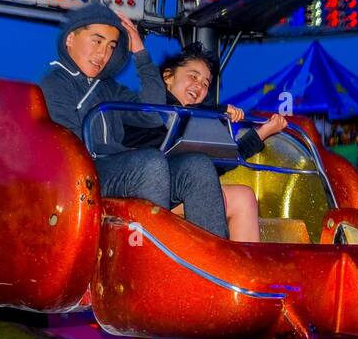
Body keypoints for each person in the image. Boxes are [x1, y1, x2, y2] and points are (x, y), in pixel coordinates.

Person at [38, 3, 231, 238]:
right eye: (96, 41)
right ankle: (156, 256)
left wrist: (140, 53)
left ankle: (209, 257)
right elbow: (69, 150)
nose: (103, 54)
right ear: (70, 39)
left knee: (197, 165)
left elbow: (151, 114)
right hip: (83, 176)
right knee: (150, 162)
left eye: (111, 46)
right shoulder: (55, 82)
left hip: (118, 171)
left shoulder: (109, 88)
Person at [121, 43, 287, 242]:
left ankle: (240, 270)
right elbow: (159, 138)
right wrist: (215, 112)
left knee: (243, 197)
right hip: (145, 194)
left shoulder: (196, 120)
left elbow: (221, 160)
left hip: (182, 191)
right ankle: (213, 262)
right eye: (193, 76)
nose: (200, 85)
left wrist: (262, 133)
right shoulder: (148, 108)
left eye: (206, 83)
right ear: (168, 77)